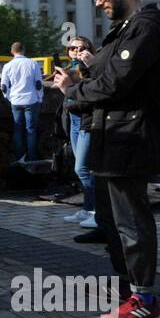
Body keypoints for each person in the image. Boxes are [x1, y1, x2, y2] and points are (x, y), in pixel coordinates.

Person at [54, 0, 160, 318]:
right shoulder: (124, 31)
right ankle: (129, 287)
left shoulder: (147, 26)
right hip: (113, 137)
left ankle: (144, 297)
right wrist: (78, 83)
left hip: (132, 137)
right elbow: (104, 76)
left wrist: (71, 92)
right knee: (113, 220)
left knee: (131, 220)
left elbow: (116, 83)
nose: (99, 3)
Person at [60, 36, 98, 229]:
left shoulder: (92, 69)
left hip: (86, 121)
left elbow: (90, 98)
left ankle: (96, 211)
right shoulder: (69, 69)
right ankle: (88, 208)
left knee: (82, 169)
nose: (76, 51)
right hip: (74, 121)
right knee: (82, 168)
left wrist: (67, 90)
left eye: (82, 47)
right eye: (72, 48)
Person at [0, 41, 44, 163]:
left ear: (12, 51)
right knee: (31, 129)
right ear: (23, 50)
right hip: (31, 100)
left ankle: (19, 157)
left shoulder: (7, 66)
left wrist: (8, 97)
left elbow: (3, 86)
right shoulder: (33, 63)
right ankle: (32, 158)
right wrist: (39, 98)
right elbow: (39, 84)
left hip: (15, 101)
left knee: (17, 129)